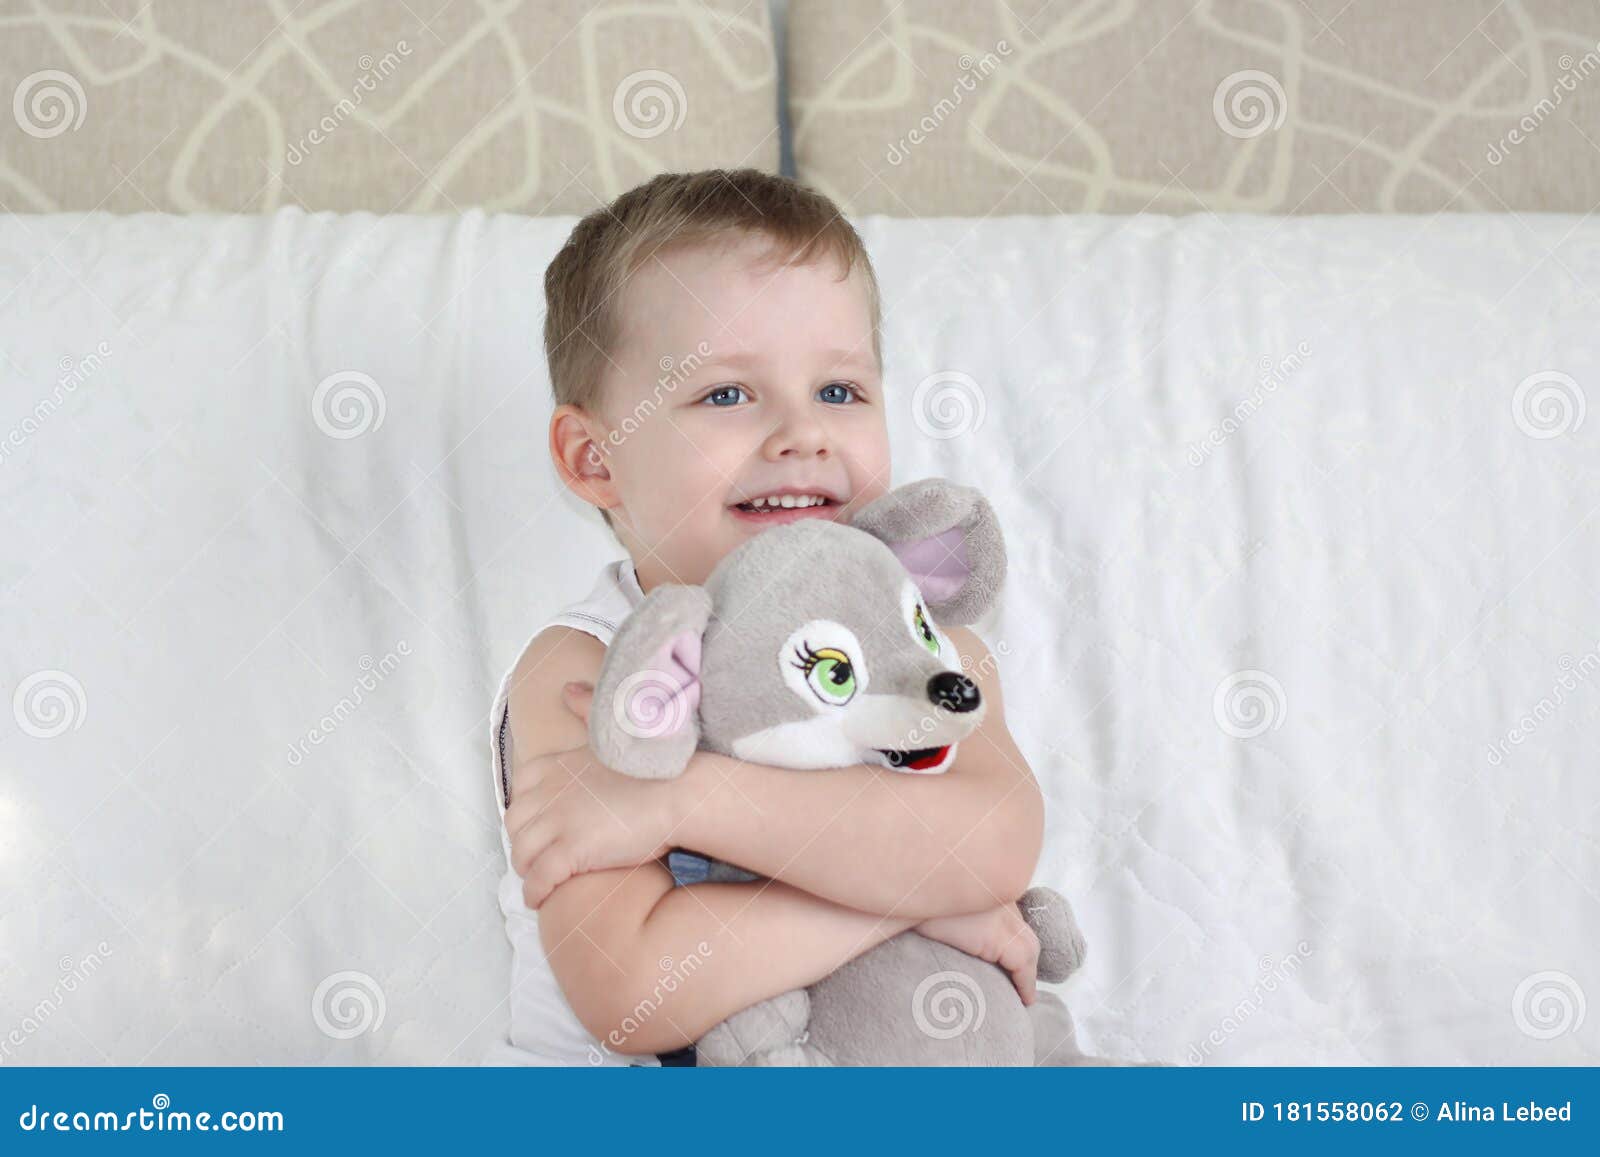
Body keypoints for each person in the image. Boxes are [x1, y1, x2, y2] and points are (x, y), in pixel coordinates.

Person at [487, 168, 1045, 1066]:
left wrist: (677, 799)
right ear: (595, 458)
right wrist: (916, 891)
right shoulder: (582, 665)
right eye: (725, 394)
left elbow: (997, 841)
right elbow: (631, 990)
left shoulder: (924, 642)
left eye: (839, 392)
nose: (802, 434)